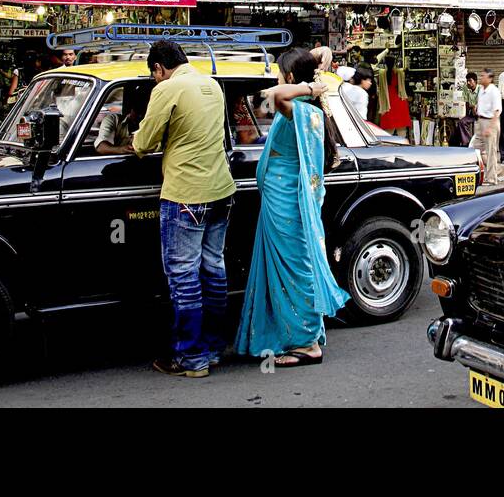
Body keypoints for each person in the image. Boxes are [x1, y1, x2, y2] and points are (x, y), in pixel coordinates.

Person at [235, 48, 351, 368]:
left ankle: (308, 343)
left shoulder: (302, 110)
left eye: (279, 71)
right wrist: (314, 64)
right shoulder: (301, 108)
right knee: (281, 271)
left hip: (288, 205)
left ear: (288, 77)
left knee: (295, 269)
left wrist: (311, 85)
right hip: (277, 203)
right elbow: (323, 52)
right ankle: (292, 335)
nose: (275, 77)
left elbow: (274, 94)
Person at [133, 41, 236, 379]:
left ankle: (191, 359)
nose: (155, 80)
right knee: (214, 270)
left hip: (186, 194)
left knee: (184, 277)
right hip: (221, 189)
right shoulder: (212, 84)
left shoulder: (167, 88)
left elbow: (143, 143)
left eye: (153, 75)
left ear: (159, 68)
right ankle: (214, 348)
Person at [96, 81, 152, 155]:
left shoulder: (153, 125)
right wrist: (121, 149)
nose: (141, 116)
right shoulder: (113, 119)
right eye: (138, 110)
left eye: (144, 111)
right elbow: (101, 147)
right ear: (131, 109)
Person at [470, 68, 503, 185]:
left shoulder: (494, 91)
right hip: (480, 122)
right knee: (473, 148)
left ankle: (492, 179)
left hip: (490, 122)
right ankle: (495, 170)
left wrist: (490, 127)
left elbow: (497, 111)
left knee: (490, 152)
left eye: (484, 76)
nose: (481, 78)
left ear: (490, 78)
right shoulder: (481, 90)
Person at [457, 71, 479, 146]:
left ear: (475, 81)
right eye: (467, 81)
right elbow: (465, 102)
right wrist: (464, 115)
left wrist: (474, 107)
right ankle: (467, 142)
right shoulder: (465, 88)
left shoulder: (481, 89)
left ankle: (471, 143)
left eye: (470, 80)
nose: (468, 83)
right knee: (461, 122)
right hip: (471, 113)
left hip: (481, 113)